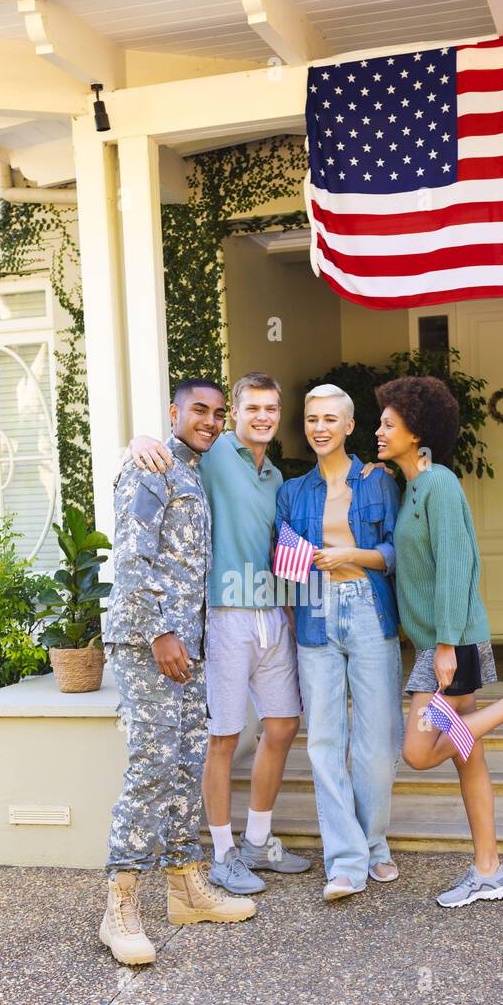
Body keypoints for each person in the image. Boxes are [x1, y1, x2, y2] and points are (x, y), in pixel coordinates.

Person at [375, 375, 503, 909]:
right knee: (466, 754)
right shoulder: (411, 486)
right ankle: (489, 871)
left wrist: (445, 645)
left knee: (418, 751)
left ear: (417, 432)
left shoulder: (440, 485)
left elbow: (458, 569)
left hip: (451, 644)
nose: (379, 430)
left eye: (389, 423)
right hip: (440, 643)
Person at [124, 372, 310, 896]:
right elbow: (169, 449)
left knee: (282, 725)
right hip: (225, 614)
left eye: (271, 409)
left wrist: (291, 610)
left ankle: (257, 841)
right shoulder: (214, 452)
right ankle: (223, 855)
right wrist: (137, 441)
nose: (263, 417)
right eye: (252, 408)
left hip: (271, 612)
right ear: (237, 413)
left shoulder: (275, 476)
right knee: (224, 736)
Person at [100, 379, 257, 968]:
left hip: (186, 646)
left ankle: (186, 887)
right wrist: (161, 632)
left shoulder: (194, 470)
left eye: (219, 414)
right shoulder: (151, 467)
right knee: (152, 763)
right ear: (174, 413)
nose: (211, 421)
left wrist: (182, 638)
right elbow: (131, 558)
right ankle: (120, 906)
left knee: (189, 761)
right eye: (200, 410)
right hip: (148, 643)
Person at [276, 385, 404, 901]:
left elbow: (396, 550)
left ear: (350, 426)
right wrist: (298, 562)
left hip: (369, 609)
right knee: (326, 740)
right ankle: (345, 861)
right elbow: (283, 564)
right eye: (311, 419)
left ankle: (374, 843)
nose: (319, 427)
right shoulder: (292, 491)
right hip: (315, 616)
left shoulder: (378, 482)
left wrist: (352, 553)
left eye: (330, 418)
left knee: (377, 741)